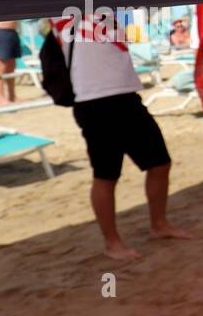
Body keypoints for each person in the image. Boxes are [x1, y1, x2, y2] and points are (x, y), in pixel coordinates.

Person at [53, 13, 189, 260]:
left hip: (127, 95)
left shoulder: (108, 3)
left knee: (160, 163)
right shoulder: (62, 7)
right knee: (106, 175)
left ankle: (159, 224)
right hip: (92, 100)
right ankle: (112, 242)